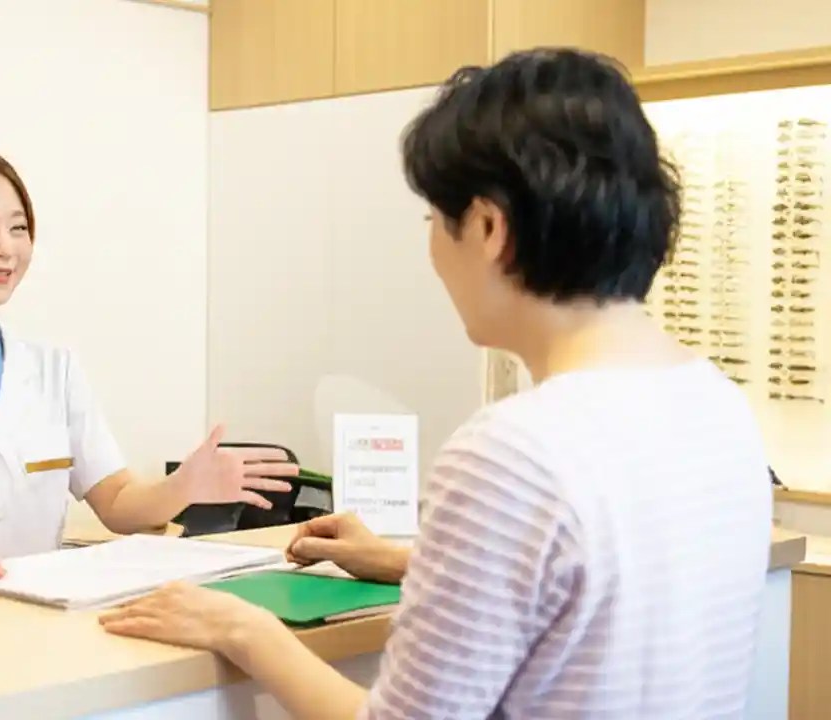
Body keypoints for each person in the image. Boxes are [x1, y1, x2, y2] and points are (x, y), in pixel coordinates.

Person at [100, 48, 773, 719]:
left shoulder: (514, 451)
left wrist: (243, 629)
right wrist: (408, 562)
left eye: (433, 221)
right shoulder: (715, 405)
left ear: (488, 227)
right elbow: (599, 597)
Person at [0, 144, 297, 583]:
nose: (5, 247)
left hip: (33, 617)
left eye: (18, 228)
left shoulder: (54, 370)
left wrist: (182, 487)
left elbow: (117, 503)